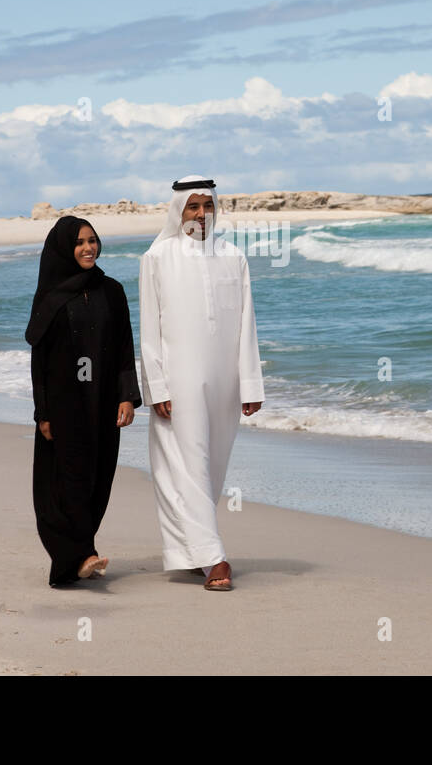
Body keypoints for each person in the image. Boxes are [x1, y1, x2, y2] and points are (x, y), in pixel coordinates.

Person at [138, 176, 264, 591]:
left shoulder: (234, 257)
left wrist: (250, 384)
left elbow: (247, 325)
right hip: (180, 376)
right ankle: (214, 559)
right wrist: (156, 385)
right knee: (190, 463)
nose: (200, 214)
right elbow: (150, 328)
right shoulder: (158, 257)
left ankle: (187, 552)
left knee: (211, 467)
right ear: (179, 210)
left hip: (225, 379)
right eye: (192, 206)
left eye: (206, 206)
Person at [26, 215, 141, 587]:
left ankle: (80, 557)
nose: (88, 248)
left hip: (104, 400)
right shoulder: (51, 297)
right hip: (64, 403)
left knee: (98, 478)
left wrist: (127, 397)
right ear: (63, 249)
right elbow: (39, 360)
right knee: (68, 480)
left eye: (92, 240)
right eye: (79, 242)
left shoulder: (112, 290)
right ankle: (80, 556)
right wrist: (42, 412)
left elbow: (125, 347)